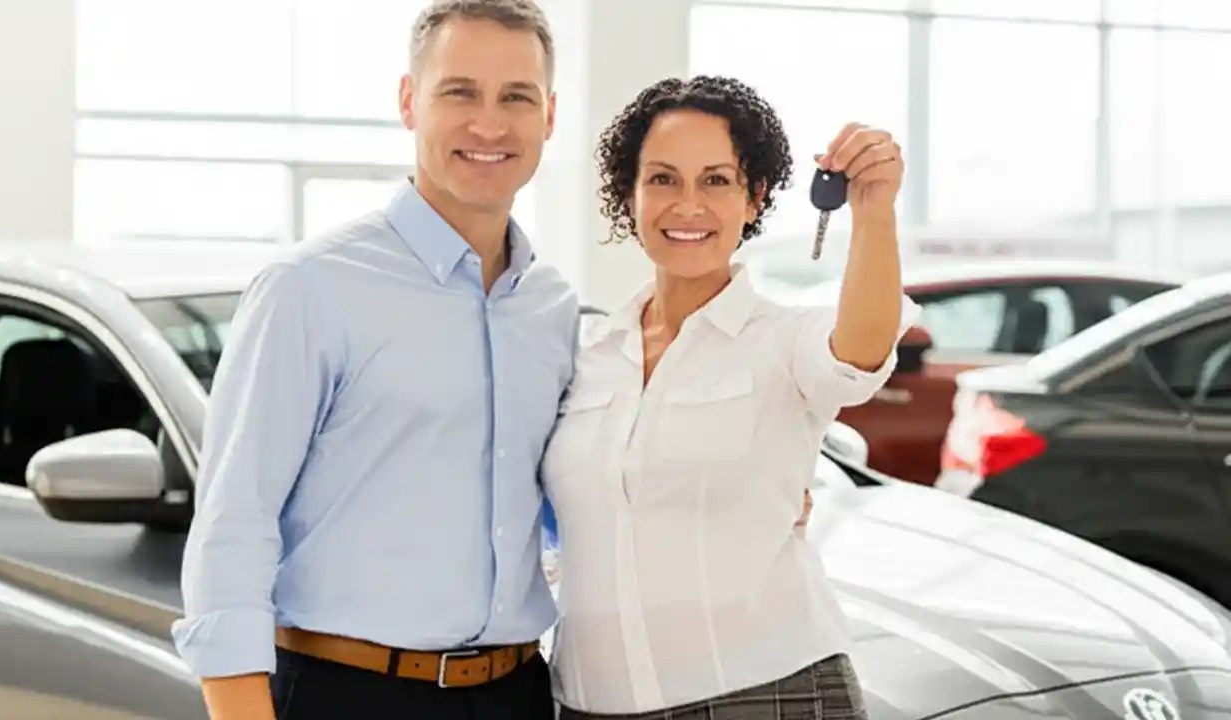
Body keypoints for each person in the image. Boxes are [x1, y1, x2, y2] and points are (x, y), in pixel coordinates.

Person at [170, 2, 575, 718]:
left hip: (517, 693)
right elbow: (233, 527)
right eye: (460, 92)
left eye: (516, 96)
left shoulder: (552, 307)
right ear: (409, 101)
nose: (489, 125)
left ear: (548, 116)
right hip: (346, 693)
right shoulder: (309, 287)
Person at [539, 76, 918, 719]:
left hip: (766, 695)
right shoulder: (586, 357)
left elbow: (858, 352)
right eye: (663, 179)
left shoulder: (783, 340)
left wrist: (873, 211)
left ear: (754, 197)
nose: (688, 205)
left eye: (716, 180)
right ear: (629, 195)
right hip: (585, 704)